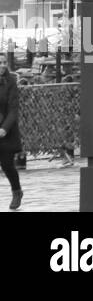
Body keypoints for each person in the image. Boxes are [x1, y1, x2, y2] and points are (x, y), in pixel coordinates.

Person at [0, 54, 21, 209]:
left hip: (6, 130)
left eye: (4, 63)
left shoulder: (11, 82)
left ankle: (17, 191)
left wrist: (4, 128)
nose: (2, 65)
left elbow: (13, 110)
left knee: (7, 165)